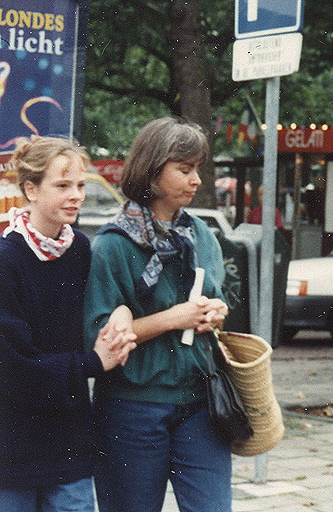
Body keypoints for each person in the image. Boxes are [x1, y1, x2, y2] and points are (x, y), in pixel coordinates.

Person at [84, 117, 232, 512]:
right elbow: (99, 341)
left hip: (201, 404)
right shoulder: (112, 247)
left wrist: (214, 312)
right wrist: (173, 318)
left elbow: (217, 302)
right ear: (152, 171)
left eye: (197, 168)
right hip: (132, 409)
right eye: (184, 169)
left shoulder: (202, 236)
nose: (196, 179)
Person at [0, 137, 136, 512]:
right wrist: (93, 363)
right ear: (31, 189)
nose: (76, 195)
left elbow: (97, 311)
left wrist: (119, 312)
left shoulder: (79, 249)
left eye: (80, 185)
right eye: (62, 186)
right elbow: (13, 366)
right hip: (12, 447)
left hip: (69, 442)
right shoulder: (6, 259)